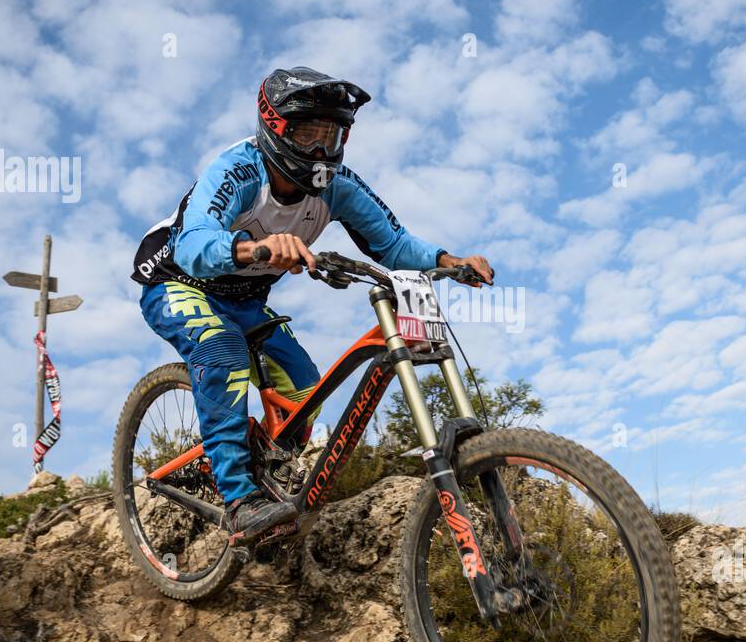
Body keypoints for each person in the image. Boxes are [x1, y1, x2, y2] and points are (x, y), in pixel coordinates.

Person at [131, 66, 493, 544]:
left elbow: (392, 243)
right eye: (308, 134)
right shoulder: (239, 169)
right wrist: (255, 247)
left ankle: (272, 479)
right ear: (276, 129)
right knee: (222, 350)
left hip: (245, 299)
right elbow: (193, 243)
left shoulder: (338, 186)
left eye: (332, 135)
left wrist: (449, 260)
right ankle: (239, 499)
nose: (321, 150)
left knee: (306, 388)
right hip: (178, 280)